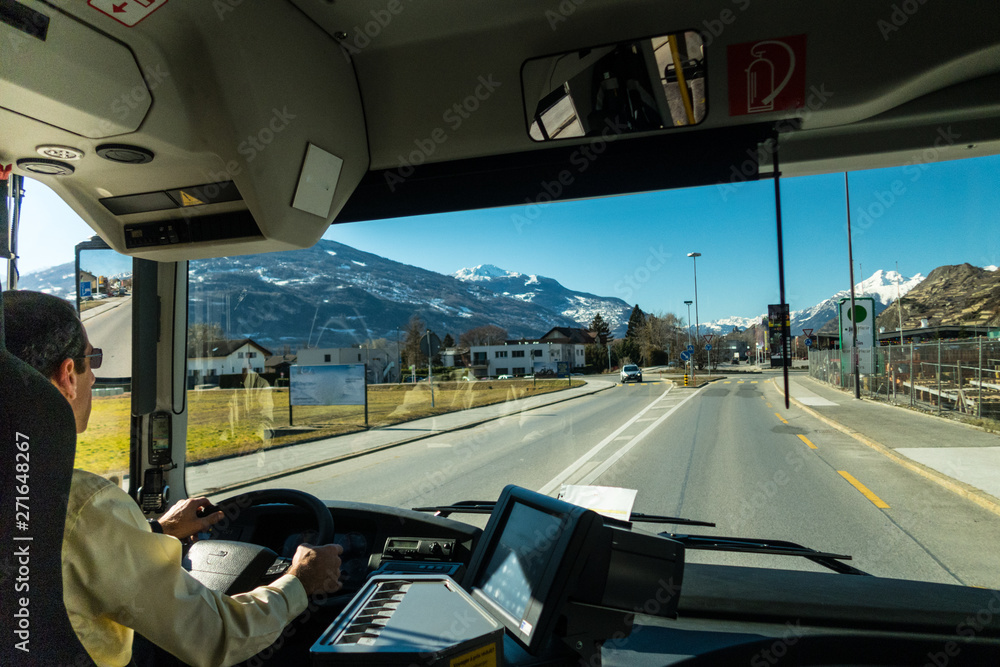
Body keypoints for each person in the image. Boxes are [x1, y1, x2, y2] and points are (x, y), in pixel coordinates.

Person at [2, 290, 343, 667]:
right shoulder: (81, 502)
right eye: (91, 359)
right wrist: (299, 581)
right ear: (68, 376)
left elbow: (58, 560)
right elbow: (216, 635)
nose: (95, 376)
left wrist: (154, 533)